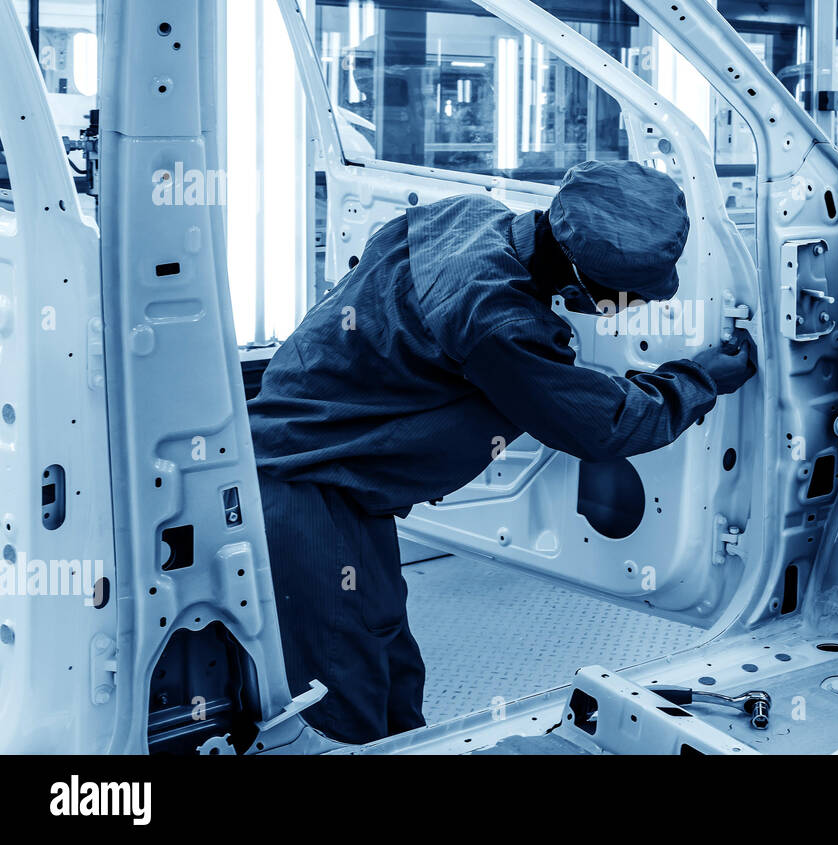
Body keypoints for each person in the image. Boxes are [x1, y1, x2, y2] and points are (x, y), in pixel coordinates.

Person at [247, 160, 756, 744]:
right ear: (579, 280)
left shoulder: (465, 214)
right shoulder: (498, 320)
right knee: (344, 688)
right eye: (628, 299)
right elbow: (601, 425)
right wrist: (700, 379)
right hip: (305, 487)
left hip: (337, 480)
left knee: (388, 658)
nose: (631, 312)